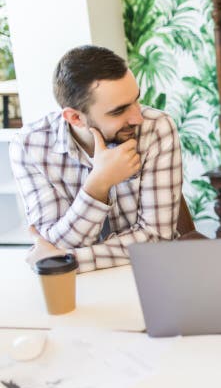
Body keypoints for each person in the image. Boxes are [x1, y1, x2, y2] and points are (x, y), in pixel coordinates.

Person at [10, 45, 183, 272]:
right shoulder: (30, 147)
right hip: (77, 288)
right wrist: (98, 184)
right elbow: (53, 245)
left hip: (150, 273)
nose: (137, 118)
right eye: (119, 111)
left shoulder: (156, 128)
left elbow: (157, 238)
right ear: (75, 117)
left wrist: (70, 260)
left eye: (136, 100)